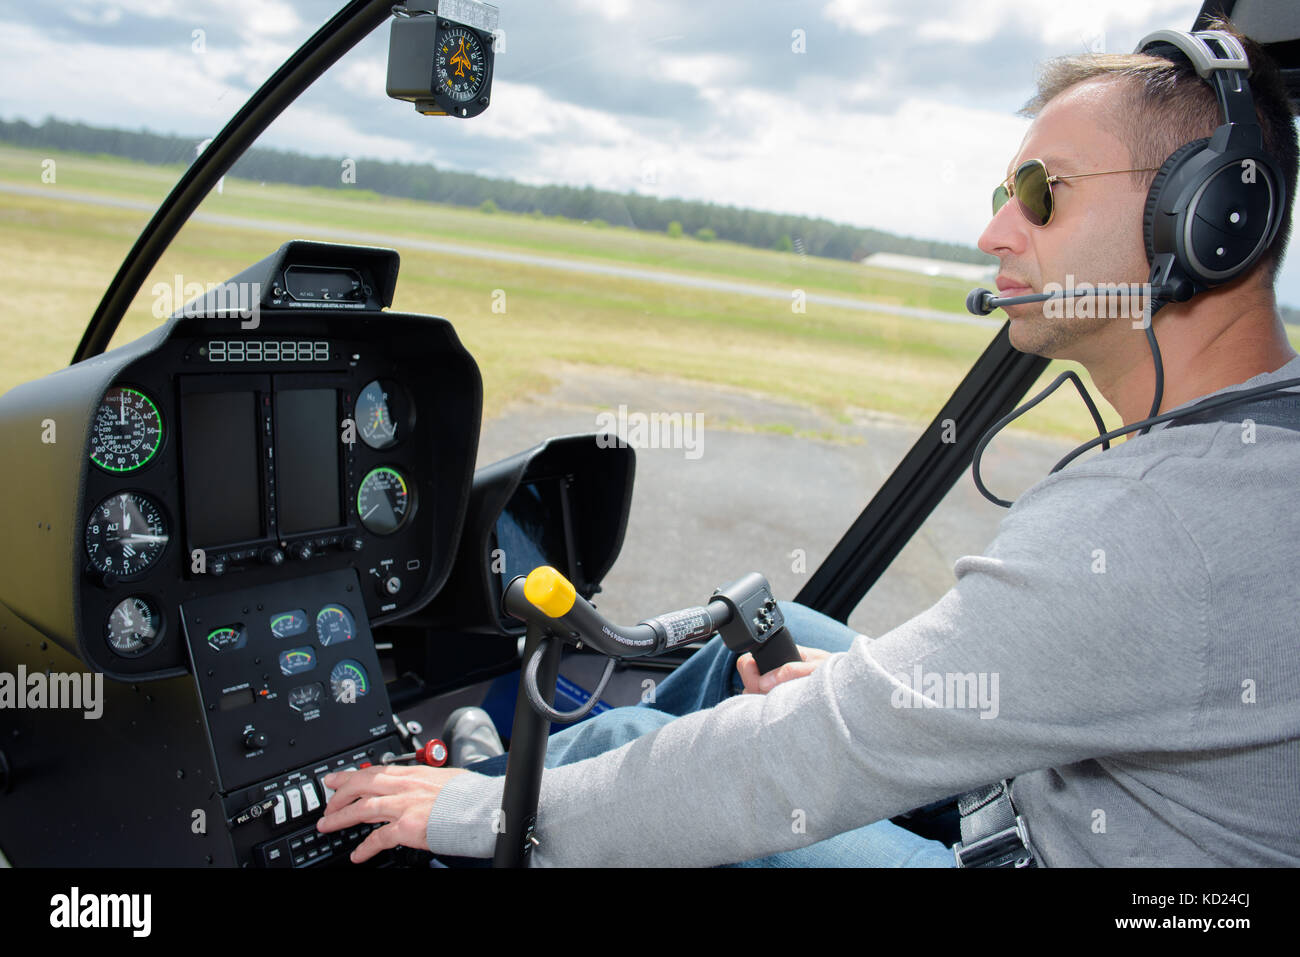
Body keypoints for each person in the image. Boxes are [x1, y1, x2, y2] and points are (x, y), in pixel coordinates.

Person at [317, 23, 1300, 867]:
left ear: (1207, 216)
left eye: (1041, 192)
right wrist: (869, 700)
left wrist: (495, 816)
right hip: (1065, 804)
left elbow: (797, 760)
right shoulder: (1256, 443)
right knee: (781, 633)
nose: (994, 232)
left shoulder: (1156, 524)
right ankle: (498, 783)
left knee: (638, 738)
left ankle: (466, 803)